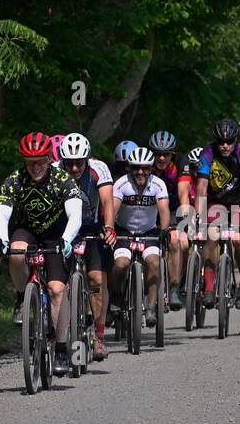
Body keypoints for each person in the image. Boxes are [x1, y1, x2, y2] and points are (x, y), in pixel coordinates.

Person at [0, 131, 83, 377]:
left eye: (41, 160)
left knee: (57, 290)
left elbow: (75, 213)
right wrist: (3, 239)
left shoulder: (62, 179)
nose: (36, 166)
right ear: (24, 160)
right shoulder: (14, 180)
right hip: (27, 231)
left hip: (56, 235)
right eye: (30, 161)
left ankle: (63, 348)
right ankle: (22, 297)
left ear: (48, 158)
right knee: (15, 252)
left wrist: (66, 240)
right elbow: (2, 213)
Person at [54, 132, 116, 361]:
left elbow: (108, 201)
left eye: (78, 163)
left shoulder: (99, 169)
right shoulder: (53, 169)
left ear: (87, 159)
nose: (73, 169)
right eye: (68, 163)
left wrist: (109, 227)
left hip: (91, 228)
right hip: (63, 229)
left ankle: (99, 336)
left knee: (97, 280)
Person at [193, 118, 240, 310]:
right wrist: (197, 215)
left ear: (235, 140)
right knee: (211, 237)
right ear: (215, 141)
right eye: (221, 142)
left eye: (229, 142)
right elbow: (201, 189)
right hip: (216, 203)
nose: (225, 146)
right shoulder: (207, 153)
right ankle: (210, 287)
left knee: (238, 240)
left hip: (239, 202)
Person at [109, 145, 171, 328]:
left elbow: (164, 211)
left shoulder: (158, 185)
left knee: (153, 262)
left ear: (151, 168)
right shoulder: (121, 184)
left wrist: (164, 230)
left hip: (149, 232)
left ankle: (150, 307)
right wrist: (110, 228)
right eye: (136, 167)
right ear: (130, 168)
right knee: (121, 264)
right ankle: (117, 296)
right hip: (124, 232)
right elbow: (113, 209)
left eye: (145, 168)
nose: (140, 171)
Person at [148, 129, 190, 311]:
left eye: (165, 154)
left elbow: (183, 190)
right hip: (150, 209)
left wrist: (186, 211)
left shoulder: (181, 163)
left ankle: (175, 286)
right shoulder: (146, 165)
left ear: (172, 154)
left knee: (179, 242)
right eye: (158, 154)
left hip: (173, 209)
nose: (162, 158)